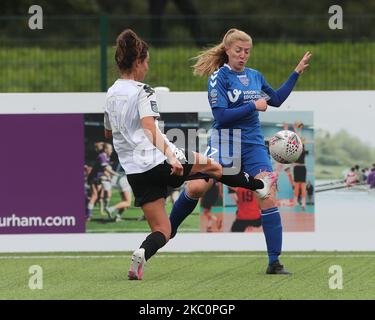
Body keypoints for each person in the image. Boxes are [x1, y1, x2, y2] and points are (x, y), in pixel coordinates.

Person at [104, 29, 275, 280]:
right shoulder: (143, 91)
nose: (147, 68)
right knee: (214, 168)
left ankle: (142, 253)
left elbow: (109, 133)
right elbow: (150, 128)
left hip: (135, 172)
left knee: (163, 230)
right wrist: (172, 157)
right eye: (147, 62)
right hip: (159, 161)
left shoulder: (111, 94)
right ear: (138, 62)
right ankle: (259, 185)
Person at [169, 28, 311, 275]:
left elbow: (275, 100)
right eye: (238, 50)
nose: (243, 55)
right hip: (225, 139)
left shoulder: (255, 76)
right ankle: (166, 230)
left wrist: (295, 73)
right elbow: (221, 116)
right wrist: (252, 105)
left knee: (267, 192)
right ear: (227, 50)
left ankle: (274, 262)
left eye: (247, 51)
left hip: (253, 144)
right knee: (197, 187)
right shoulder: (218, 78)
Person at [292, 122, 309, 210]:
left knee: (302, 186)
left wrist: (298, 129)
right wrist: (296, 129)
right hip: (298, 168)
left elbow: (298, 136)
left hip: (301, 168)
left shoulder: (302, 147)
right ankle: (297, 202)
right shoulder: (296, 148)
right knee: (297, 186)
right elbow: (297, 137)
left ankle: (303, 203)